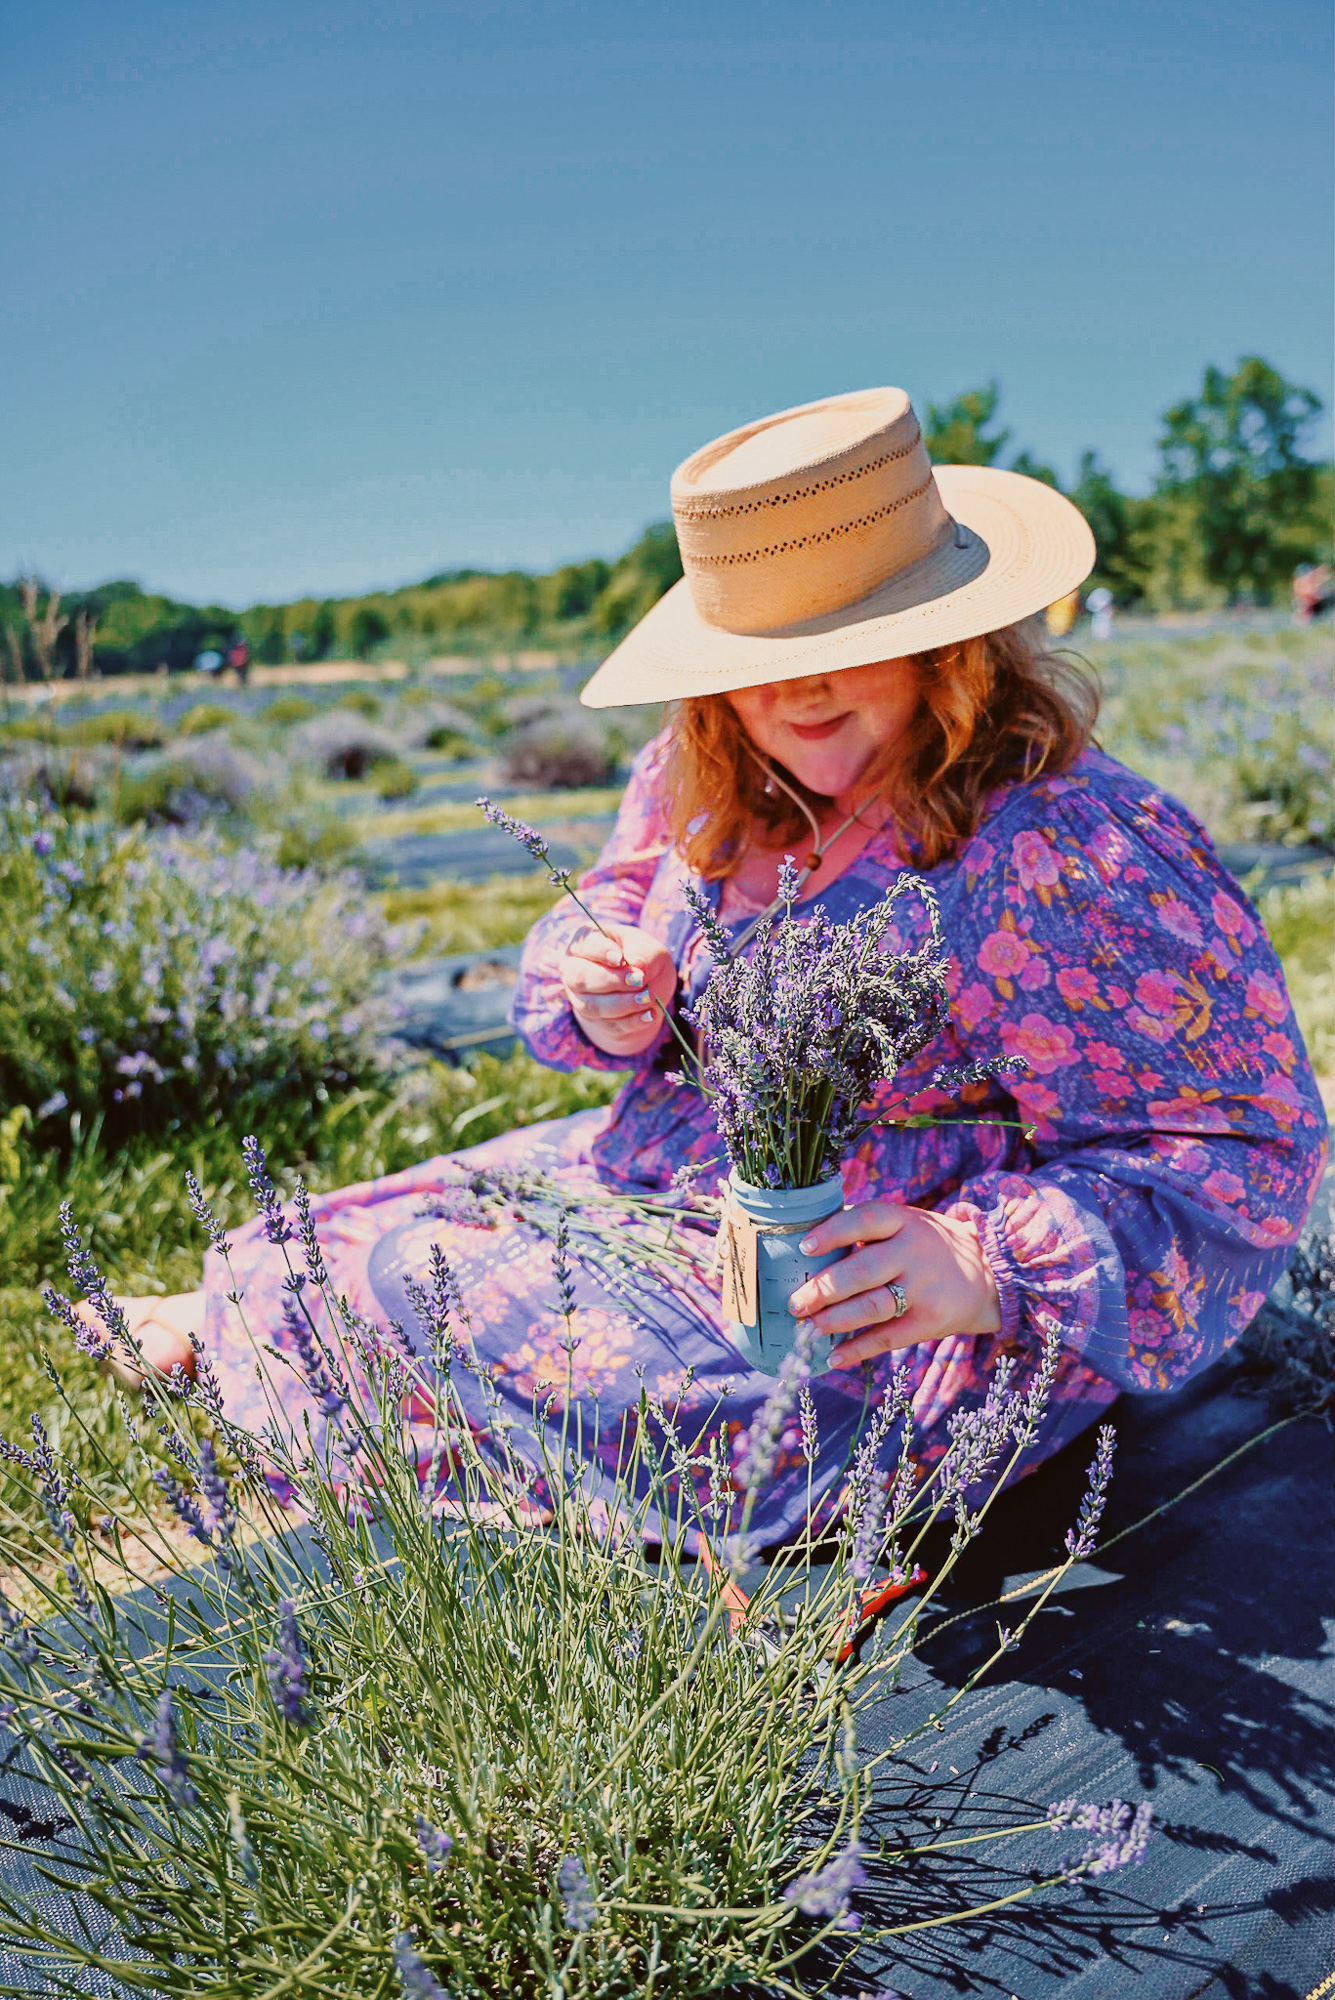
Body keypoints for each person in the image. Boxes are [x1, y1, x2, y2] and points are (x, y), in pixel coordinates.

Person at [80, 388, 1328, 1548]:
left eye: (853, 632)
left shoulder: (1065, 841)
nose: (799, 682)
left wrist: (985, 1262)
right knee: (342, 1237)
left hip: (882, 1282)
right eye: (762, 647)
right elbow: (613, 904)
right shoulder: (704, 769)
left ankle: (313, 1361)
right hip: (674, 1174)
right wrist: (598, 986)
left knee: (474, 1304)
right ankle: (268, 1333)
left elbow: (1241, 1142)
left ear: (953, 640)